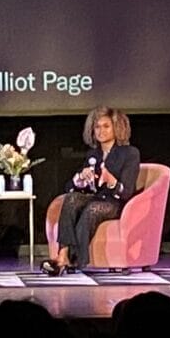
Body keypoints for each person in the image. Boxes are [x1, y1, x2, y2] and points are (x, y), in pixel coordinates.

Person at [43, 106, 141, 275]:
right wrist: (80, 179)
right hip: (96, 198)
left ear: (117, 128)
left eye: (106, 126)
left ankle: (71, 259)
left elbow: (126, 192)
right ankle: (62, 255)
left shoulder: (130, 153)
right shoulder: (92, 154)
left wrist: (111, 181)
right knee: (72, 198)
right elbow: (70, 188)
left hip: (116, 203)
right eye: (97, 127)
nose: (100, 131)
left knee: (91, 210)